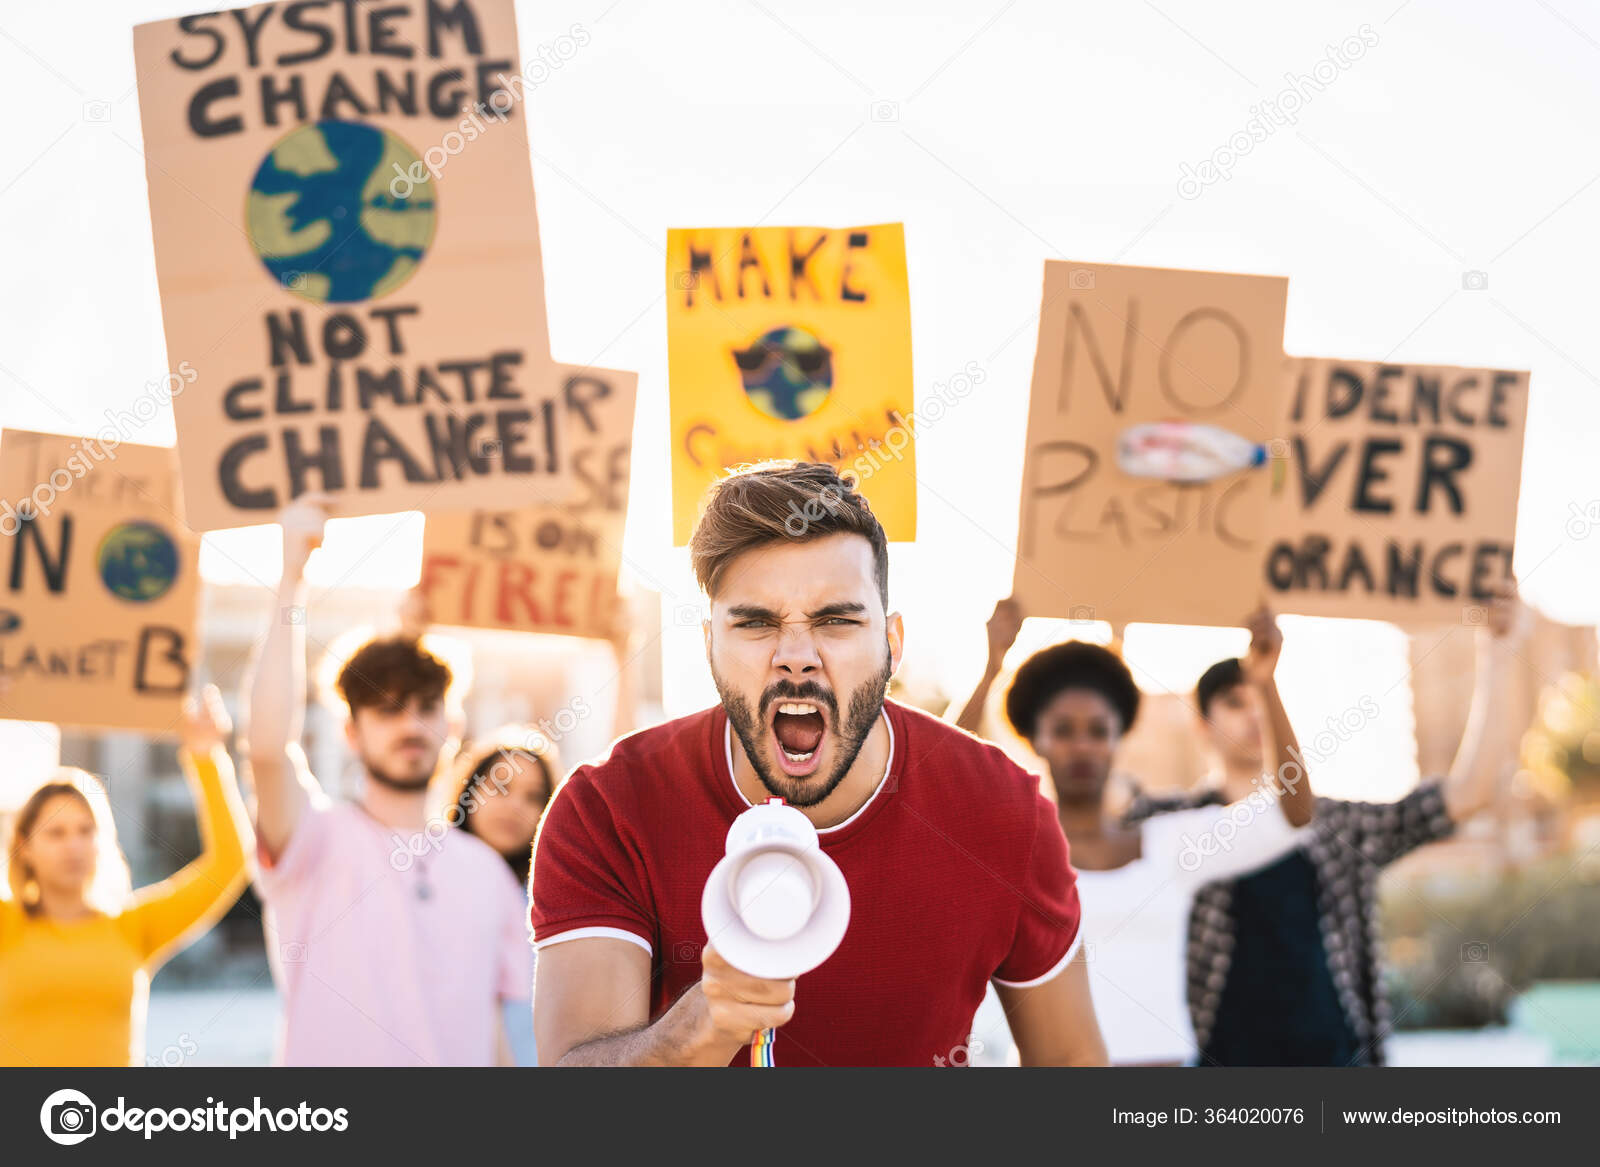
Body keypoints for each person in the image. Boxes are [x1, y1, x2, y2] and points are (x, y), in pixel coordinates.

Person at [531, 461, 1107, 1067]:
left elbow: (1075, 1064)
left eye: (836, 620)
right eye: (756, 622)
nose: (797, 657)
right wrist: (701, 1028)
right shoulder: (608, 808)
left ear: (893, 643)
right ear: (708, 646)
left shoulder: (1005, 811)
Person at [1126, 583, 1525, 1066]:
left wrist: (1499, 649)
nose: (1253, 712)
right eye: (1234, 701)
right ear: (1200, 723)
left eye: (1261, 695)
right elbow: (1088, 816)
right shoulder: (1170, 827)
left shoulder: (1338, 825)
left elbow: (1471, 793)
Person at [244, 494, 533, 1066]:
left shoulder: (487, 874)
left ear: (452, 725)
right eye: (387, 709)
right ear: (350, 732)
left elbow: (498, 1041)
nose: (410, 725)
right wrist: (291, 576)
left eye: (425, 707)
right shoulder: (312, 841)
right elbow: (267, 748)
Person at [961, 605, 1316, 1064]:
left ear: (1118, 737)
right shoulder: (1013, 853)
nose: (1082, 745)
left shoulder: (1170, 847)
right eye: (1064, 730)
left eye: (1098, 730)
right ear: (1037, 738)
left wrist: (1266, 684)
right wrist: (990, 669)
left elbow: (1294, 812)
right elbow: (931, 788)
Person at [0, 686, 250, 1067]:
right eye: (56, 832)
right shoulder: (7, 925)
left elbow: (229, 863)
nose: (74, 845)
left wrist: (206, 756)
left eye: (86, 830)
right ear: (25, 846)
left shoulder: (134, 926)